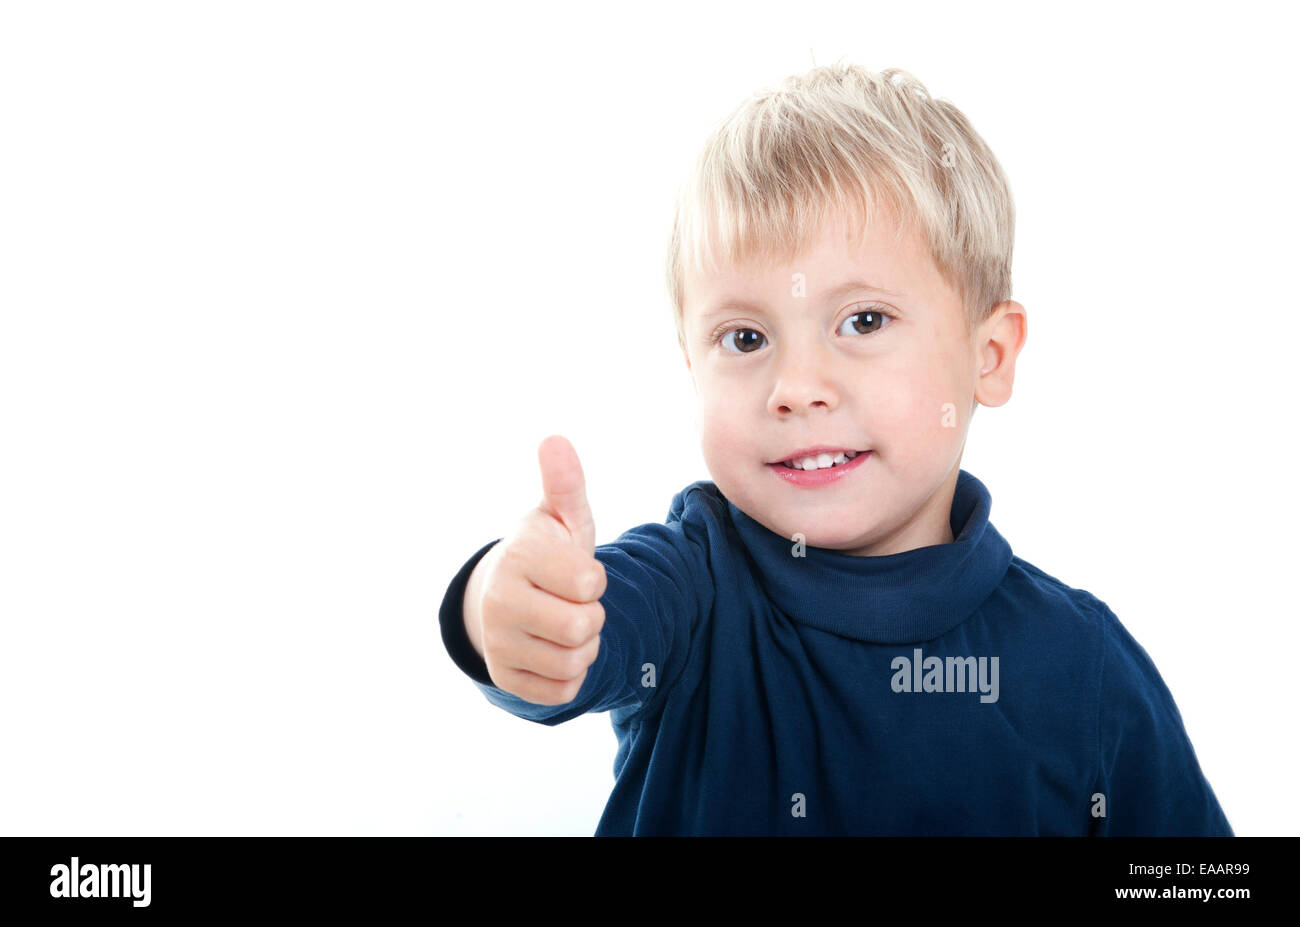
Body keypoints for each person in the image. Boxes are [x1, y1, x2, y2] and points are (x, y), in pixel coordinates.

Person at [437, 63, 1233, 836]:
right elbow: (583, 633)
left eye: (863, 321)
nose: (796, 385)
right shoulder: (692, 585)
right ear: (691, 368)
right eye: (745, 337)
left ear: (988, 355)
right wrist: (503, 606)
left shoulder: (1082, 663)